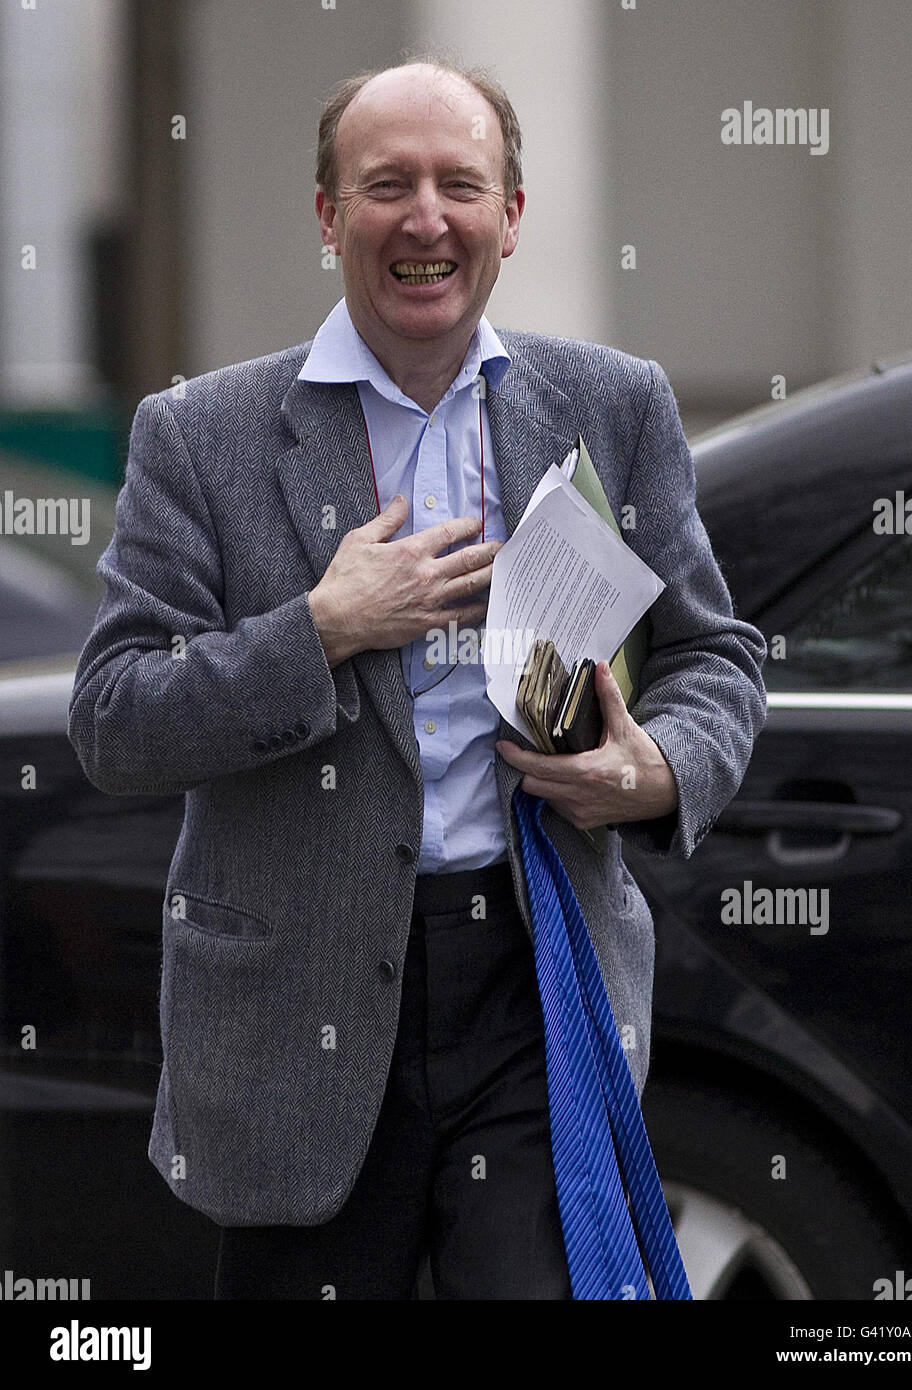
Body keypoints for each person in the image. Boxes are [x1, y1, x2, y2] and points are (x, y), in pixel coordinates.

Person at [67, 56, 767, 1300]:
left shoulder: (612, 405)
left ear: (510, 214)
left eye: (461, 184)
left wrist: (652, 767)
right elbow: (116, 718)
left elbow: (715, 655)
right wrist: (320, 628)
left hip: (533, 977)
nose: (425, 217)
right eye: (386, 184)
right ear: (331, 215)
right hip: (300, 1008)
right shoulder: (201, 435)